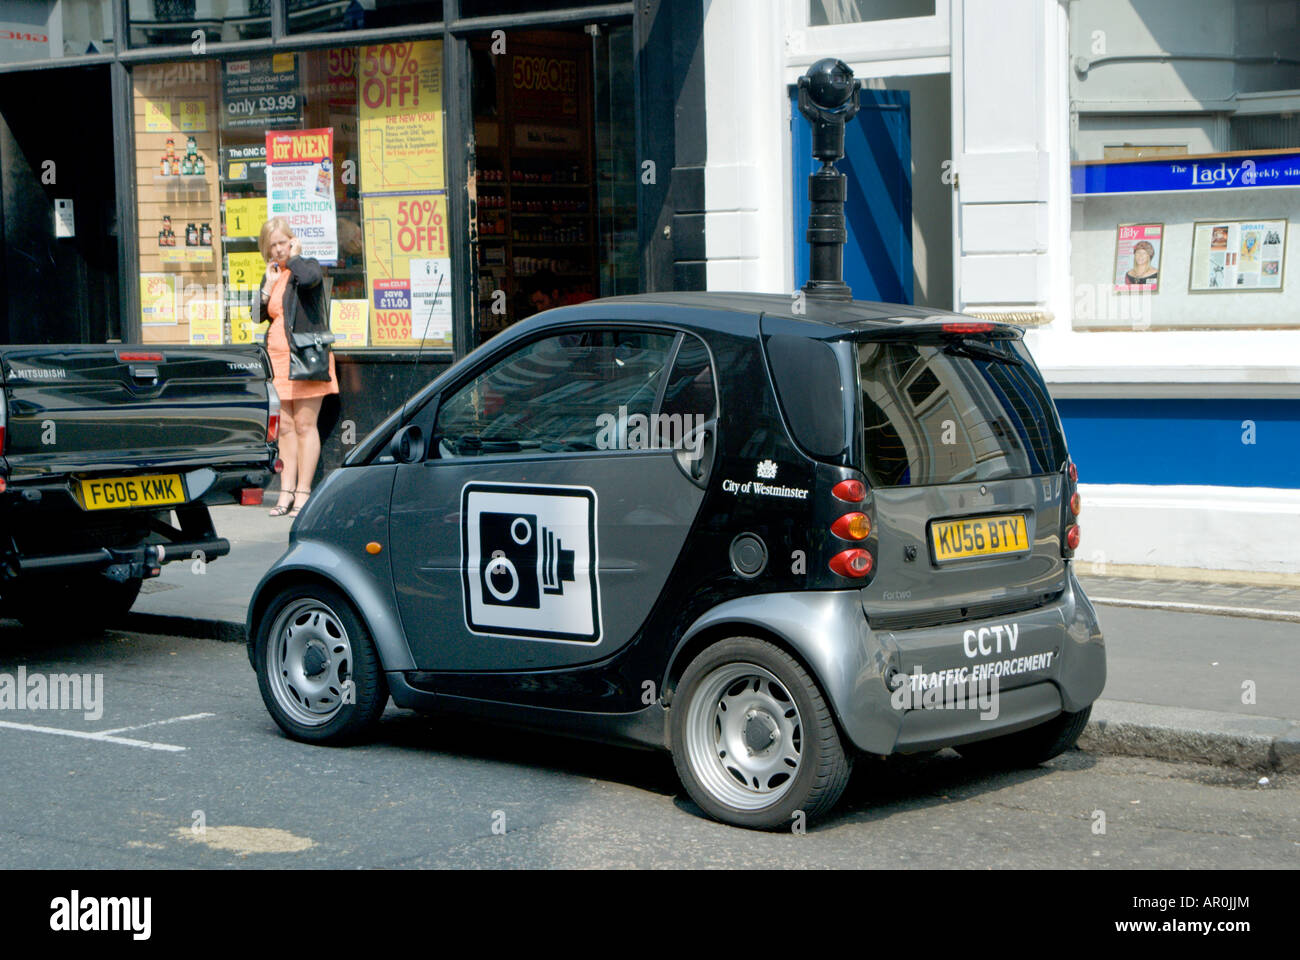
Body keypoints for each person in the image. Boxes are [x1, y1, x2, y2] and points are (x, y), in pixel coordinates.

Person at [257, 216, 338, 518]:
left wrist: (296, 256)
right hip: (279, 361)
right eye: (272, 245)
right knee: (285, 429)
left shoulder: (306, 266)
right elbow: (256, 315)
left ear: (292, 241)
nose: (277, 249)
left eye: (282, 242)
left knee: (305, 426)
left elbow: (308, 281)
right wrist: (266, 285)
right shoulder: (275, 275)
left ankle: (303, 492)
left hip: (304, 358)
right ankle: (285, 490)